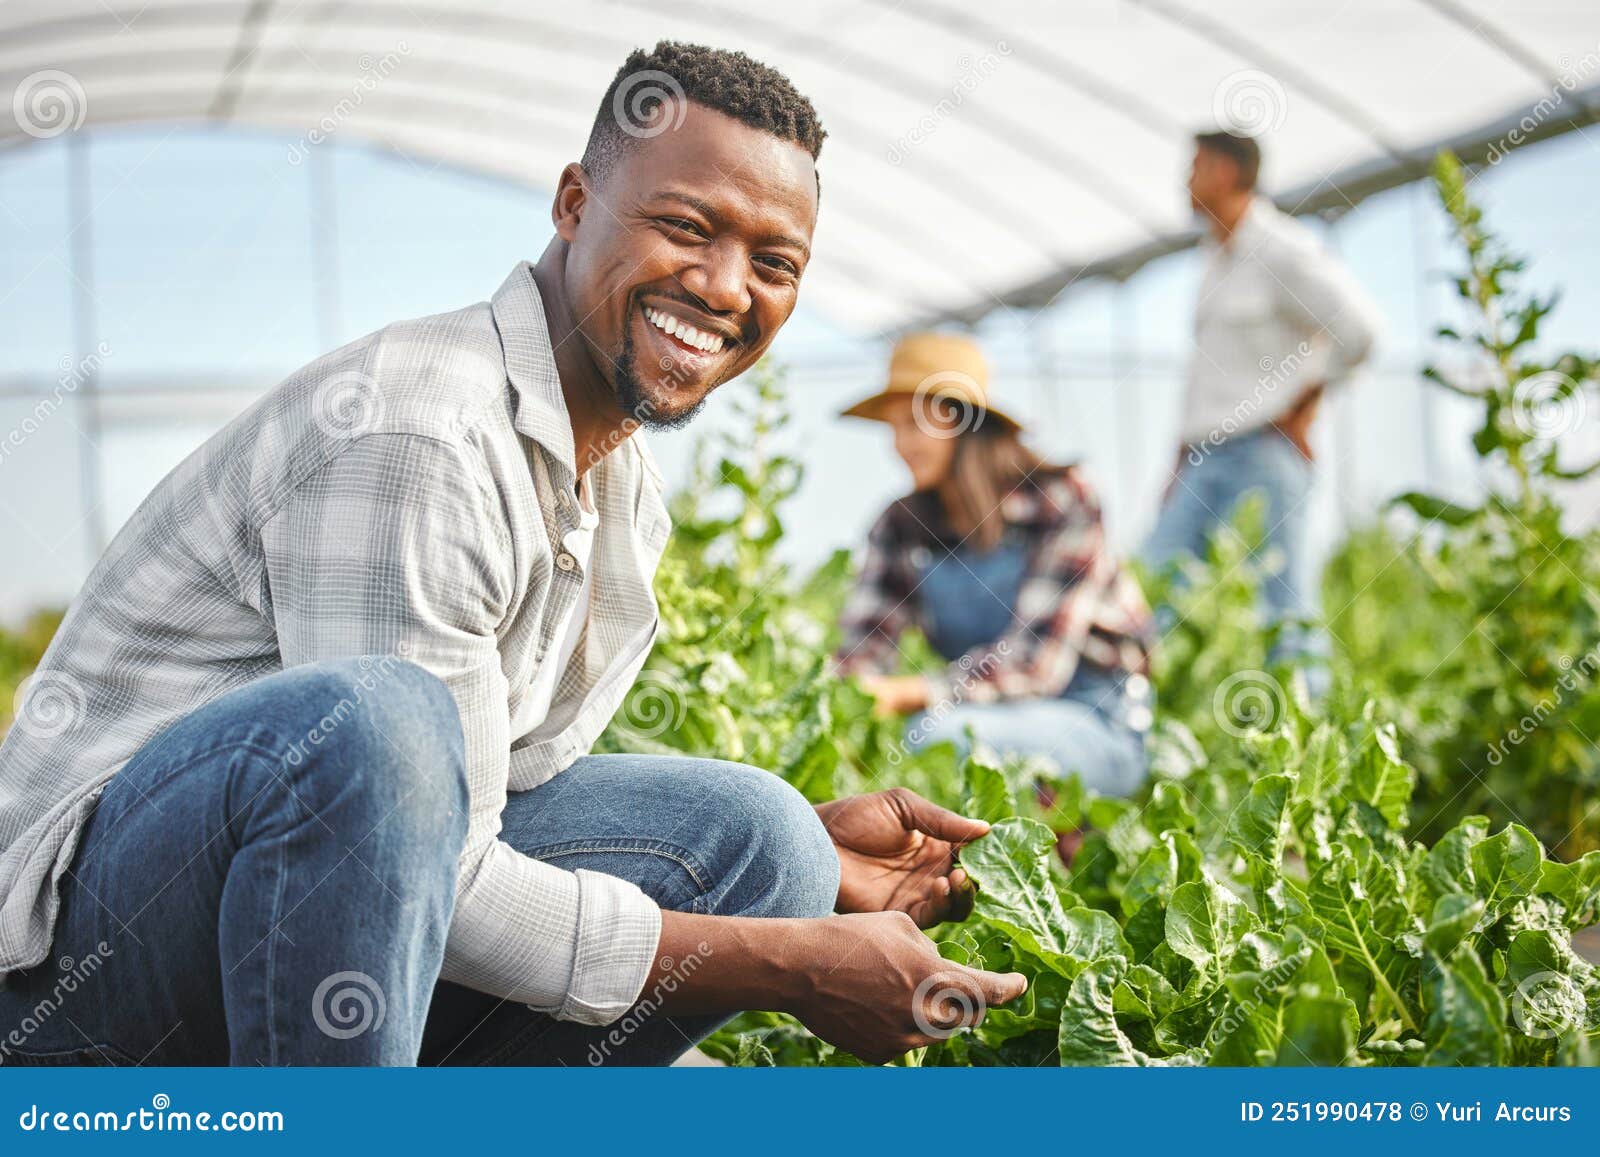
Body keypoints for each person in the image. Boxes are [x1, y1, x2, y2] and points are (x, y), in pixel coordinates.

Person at [0, 42, 1025, 1069]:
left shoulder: (613, 480)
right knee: (382, 724)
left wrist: (806, 865)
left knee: (761, 838)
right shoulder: (419, 433)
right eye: (686, 226)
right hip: (77, 983)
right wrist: (791, 964)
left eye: (774, 263)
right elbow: (420, 849)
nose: (724, 287)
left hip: (284, 930)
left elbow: (474, 810)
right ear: (574, 203)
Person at [834, 333, 1156, 796]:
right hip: (983, 713)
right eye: (893, 427)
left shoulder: (1062, 502)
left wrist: (906, 692)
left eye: (914, 423)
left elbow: (1035, 664)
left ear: (966, 424)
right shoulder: (900, 524)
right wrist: (842, 695)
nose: (900, 445)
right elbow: (864, 645)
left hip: (1095, 719)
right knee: (900, 744)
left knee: (937, 741)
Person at [1143, 131, 1380, 641]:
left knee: (1284, 602)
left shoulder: (1281, 249)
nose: (1186, 180)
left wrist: (1304, 406)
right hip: (1203, 456)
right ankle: (1131, 707)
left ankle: (1303, 714)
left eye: (1196, 167)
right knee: (1152, 581)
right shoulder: (1213, 258)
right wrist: (1178, 459)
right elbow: (1207, 376)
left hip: (1264, 449)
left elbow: (1359, 332)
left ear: (1228, 172)